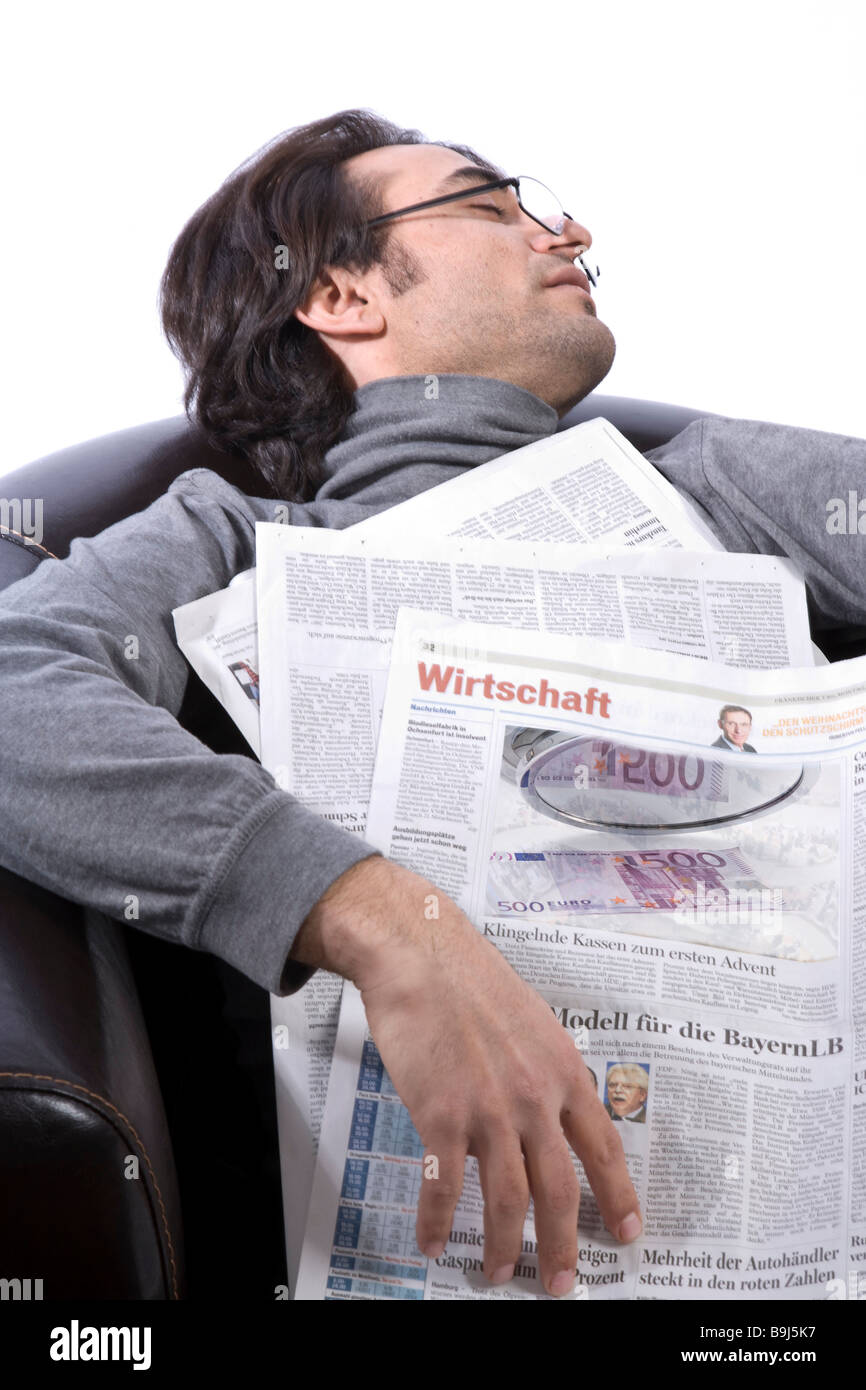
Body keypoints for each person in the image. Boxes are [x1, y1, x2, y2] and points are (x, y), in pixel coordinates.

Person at [1, 108, 864, 1301]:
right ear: (341, 293)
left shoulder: (720, 493)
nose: (570, 234)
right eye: (487, 202)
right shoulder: (231, 543)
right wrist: (370, 914)